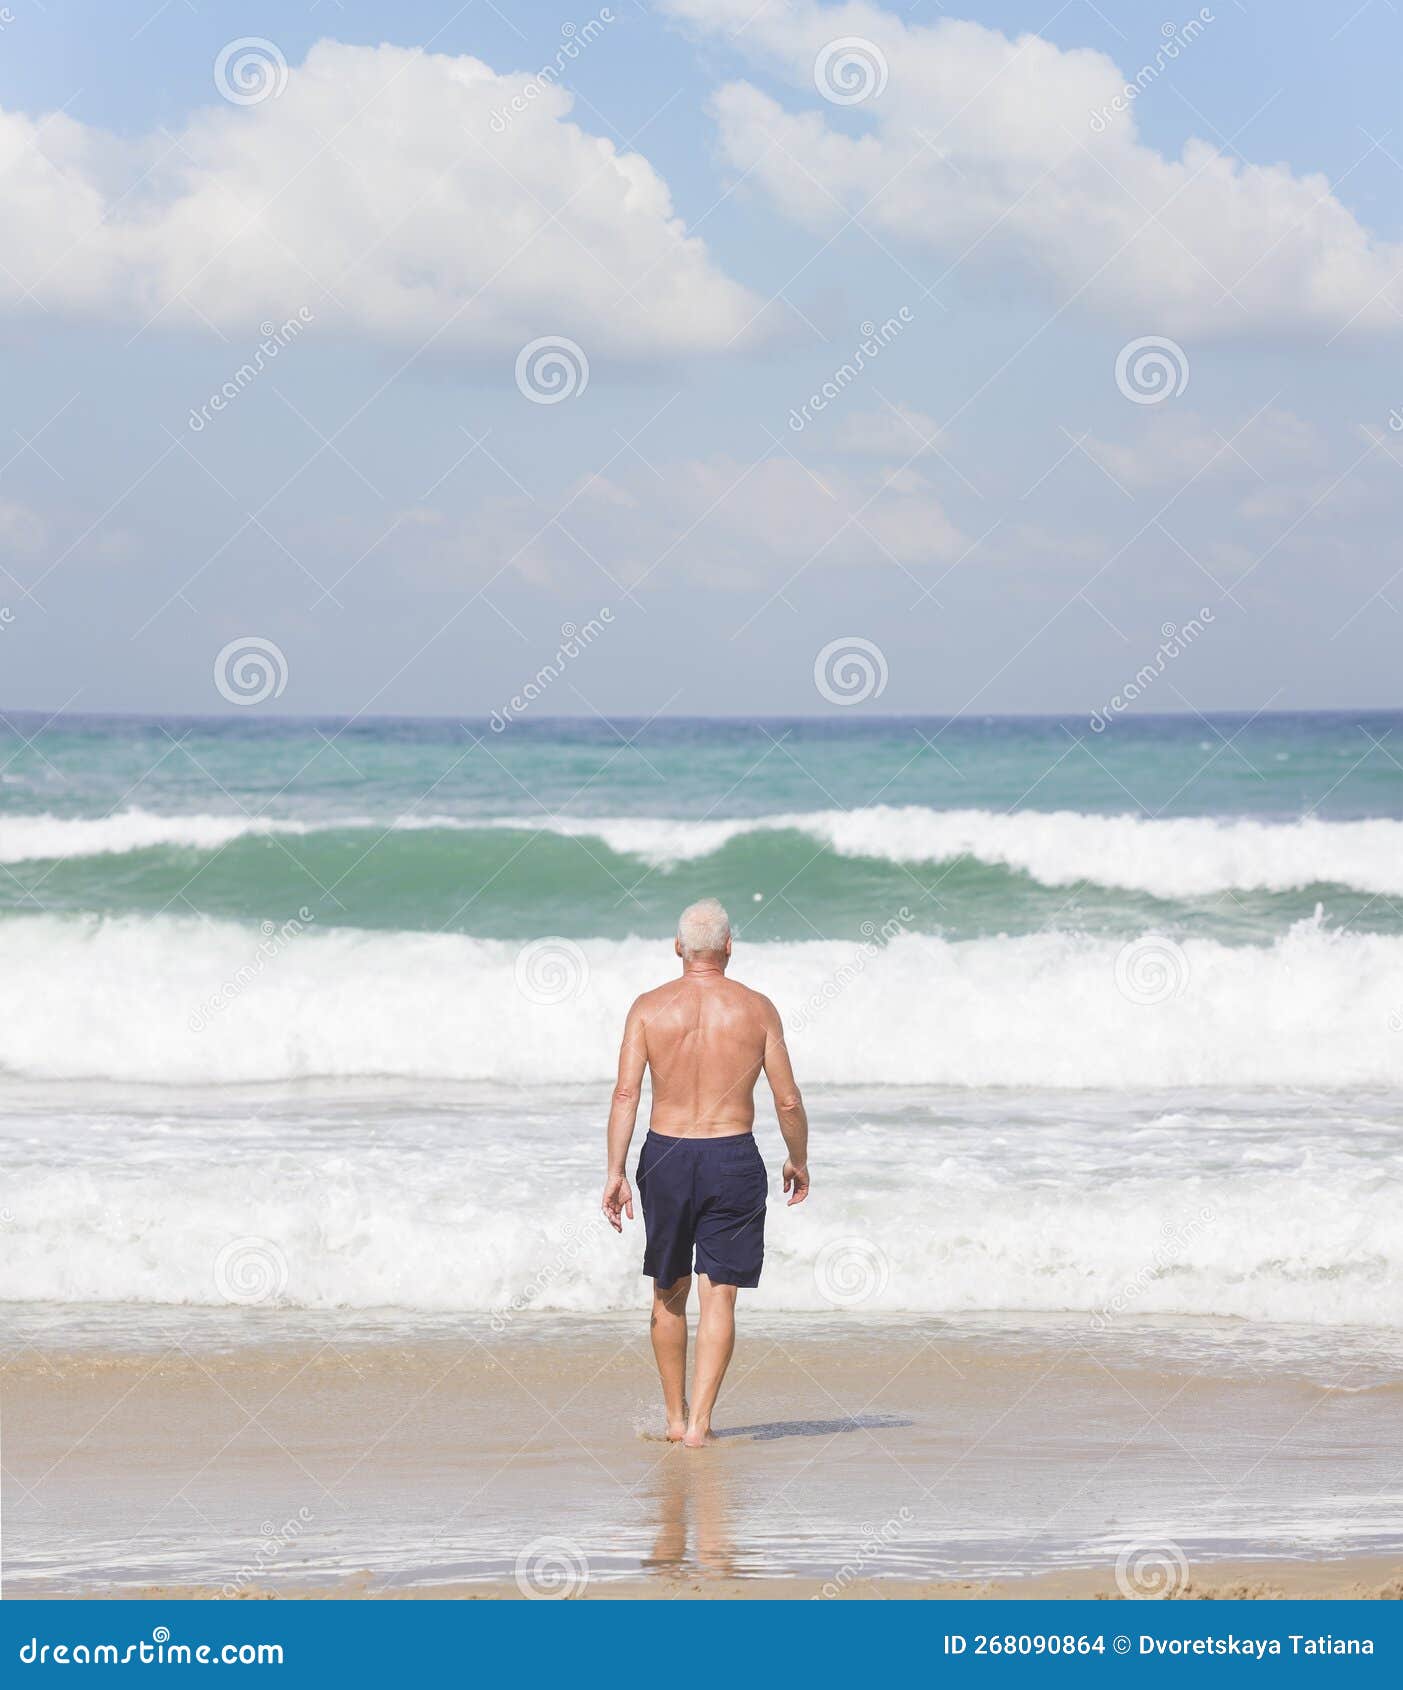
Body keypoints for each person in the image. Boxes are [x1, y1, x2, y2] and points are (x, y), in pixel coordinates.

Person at [601, 898, 810, 1447]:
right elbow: (787, 1100)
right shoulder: (757, 1008)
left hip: (665, 1156)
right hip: (732, 1157)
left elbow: (626, 1092)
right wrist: (798, 1159)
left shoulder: (647, 1007)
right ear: (728, 947)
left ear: (678, 948)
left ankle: (673, 1418)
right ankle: (700, 1426)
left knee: (667, 1290)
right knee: (719, 1295)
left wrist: (615, 1170)